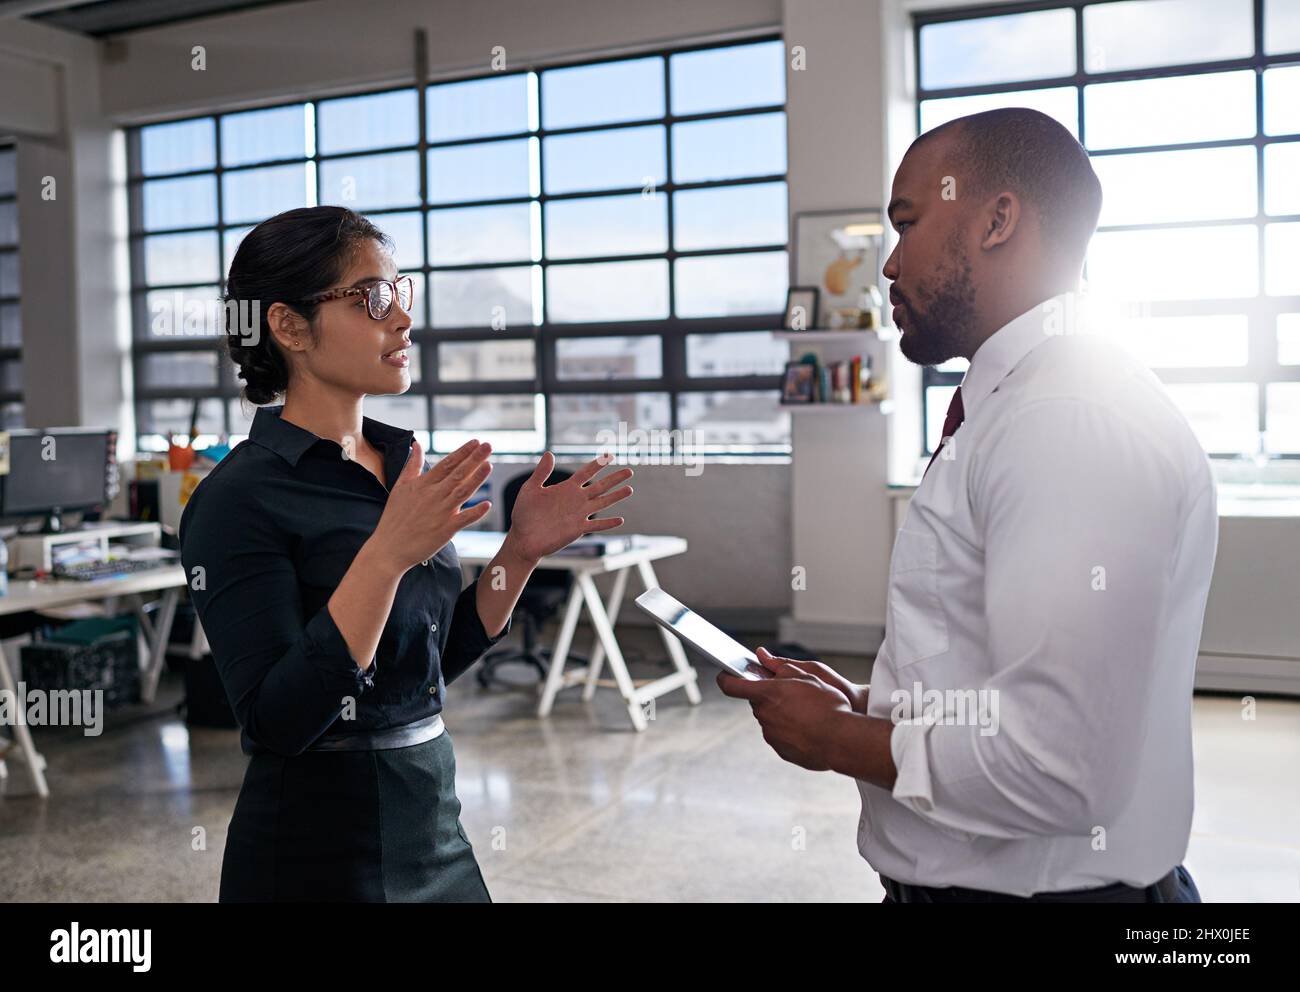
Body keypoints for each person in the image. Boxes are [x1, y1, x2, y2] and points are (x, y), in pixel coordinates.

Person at [719, 108, 1217, 903]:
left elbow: (1057, 767)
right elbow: (993, 670)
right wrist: (866, 704)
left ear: (997, 220)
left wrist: (843, 740)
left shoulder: (1066, 418)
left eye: (907, 224)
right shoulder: (1019, 404)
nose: (887, 265)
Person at [180, 206, 633, 902]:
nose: (402, 320)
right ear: (289, 326)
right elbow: (279, 720)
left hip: (432, 819)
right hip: (314, 852)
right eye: (371, 299)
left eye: (400, 293)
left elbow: (430, 659)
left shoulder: (401, 464)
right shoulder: (238, 498)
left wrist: (521, 551)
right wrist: (384, 557)